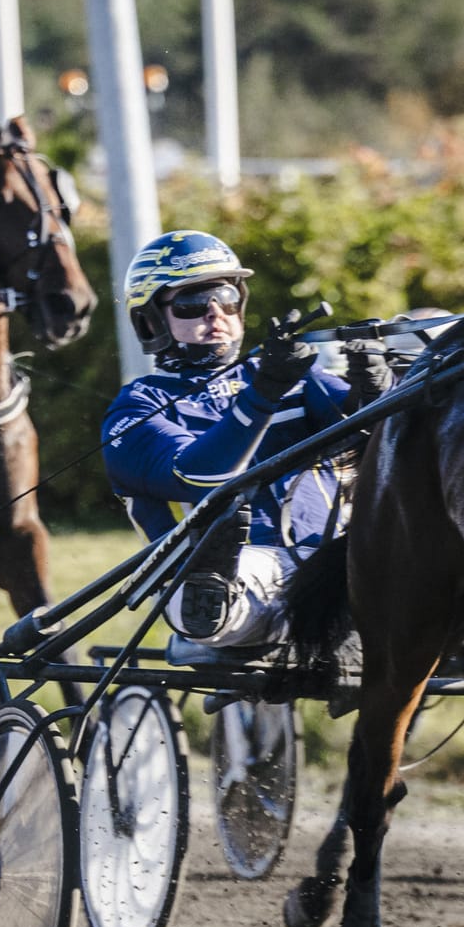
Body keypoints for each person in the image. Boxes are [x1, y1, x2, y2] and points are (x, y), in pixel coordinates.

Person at [101, 231, 392, 649]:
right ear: (150, 320)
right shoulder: (136, 408)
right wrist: (263, 396)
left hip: (336, 559)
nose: (215, 314)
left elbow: (371, 433)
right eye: (192, 304)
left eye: (226, 297)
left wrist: (376, 390)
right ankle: (212, 590)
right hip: (237, 575)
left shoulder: (292, 376)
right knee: (216, 588)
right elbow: (199, 476)